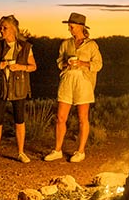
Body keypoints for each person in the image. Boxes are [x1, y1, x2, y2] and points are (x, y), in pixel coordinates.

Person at [44, 12, 103, 163]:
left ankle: (80, 151)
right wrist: (66, 64)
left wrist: (82, 63)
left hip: (83, 81)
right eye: (69, 26)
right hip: (67, 80)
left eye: (72, 26)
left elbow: (98, 64)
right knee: (61, 117)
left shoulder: (91, 45)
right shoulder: (65, 44)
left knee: (83, 118)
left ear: (80, 27)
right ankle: (57, 150)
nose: (69, 29)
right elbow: (59, 62)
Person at [0, 15, 37, 166]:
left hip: (19, 88)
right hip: (0, 88)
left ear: (13, 29)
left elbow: (33, 67)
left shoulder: (25, 47)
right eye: (0, 28)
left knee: (20, 120)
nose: (1, 31)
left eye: (4, 28)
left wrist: (20, 67)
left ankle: (21, 152)